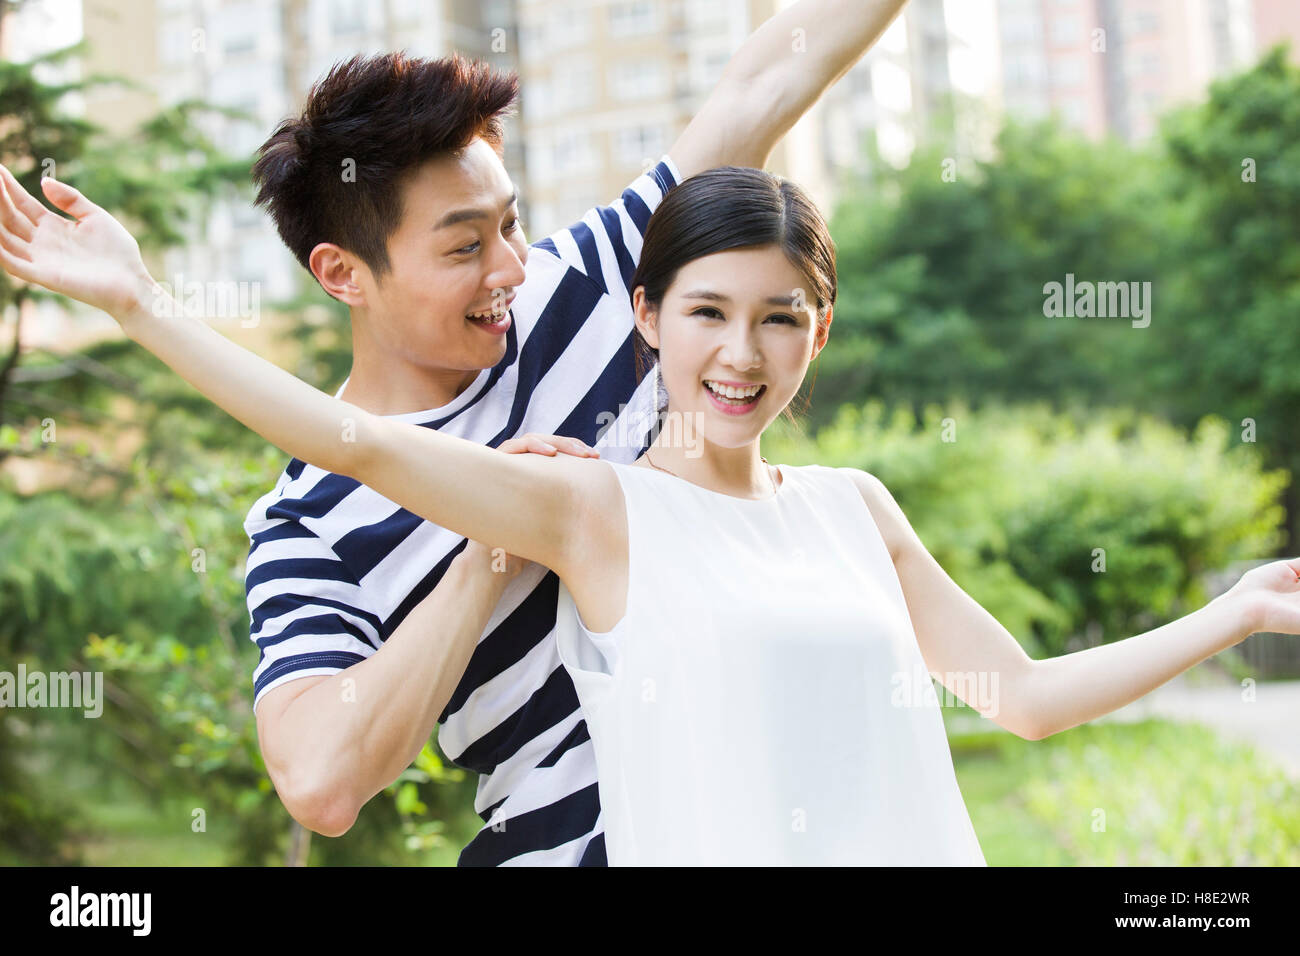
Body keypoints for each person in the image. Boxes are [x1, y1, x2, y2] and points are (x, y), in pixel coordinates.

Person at [4, 160, 1299, 865]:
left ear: (820, 329)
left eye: (781, 315)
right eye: (708, 313)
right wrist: (138, 305)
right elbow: (348, 439)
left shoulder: (857, 507)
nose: (743, 353)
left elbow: (1020, 699)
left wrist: (1235, 611)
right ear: (648, 319)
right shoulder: (590, 509)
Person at [0, 2, 917, 865]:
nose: (511, 267)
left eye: (510, 223)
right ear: (342, 273)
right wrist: (490, 550)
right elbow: (321, 779)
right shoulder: (307, 522)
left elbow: (762, 82)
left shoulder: (588, 284)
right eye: (463, 246)